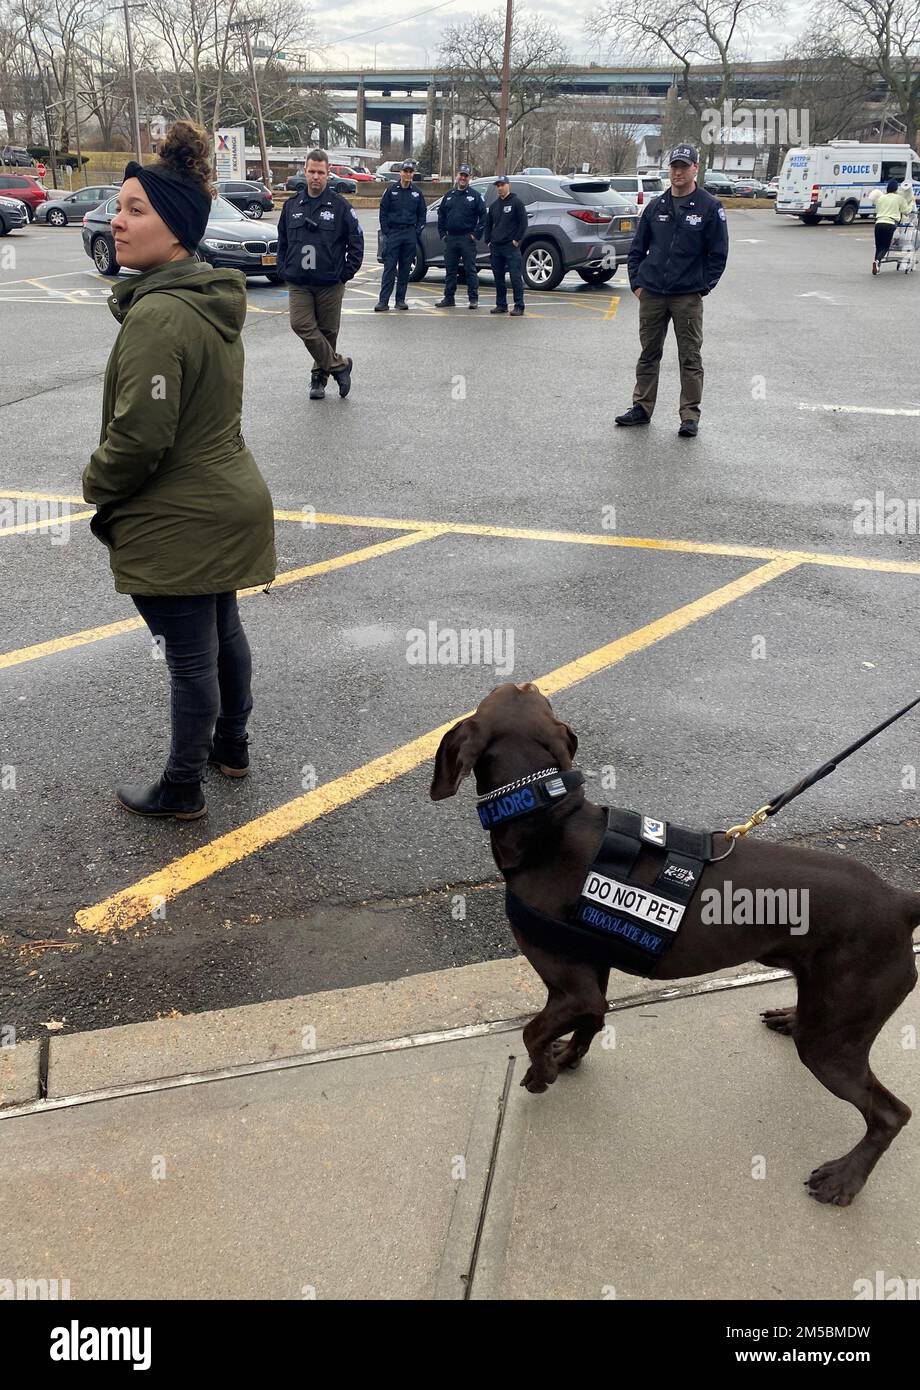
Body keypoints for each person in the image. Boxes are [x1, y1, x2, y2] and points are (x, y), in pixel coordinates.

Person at [82, 120, 276, 821]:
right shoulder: (207, 300)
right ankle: (233, 746)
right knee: (221, 634)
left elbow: (140, 435)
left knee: (190, 658)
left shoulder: (159, 315)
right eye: (119, 208)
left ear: (176, 229)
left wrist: (96, 483)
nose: (117, 221)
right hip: (226, 496)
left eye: (136, 210)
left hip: (181, 515)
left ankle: (182, 785)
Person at [615, 144, 729, 438]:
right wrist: (637, 284)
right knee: (649, 353)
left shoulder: (709, 207)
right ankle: (641, 408)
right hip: (652, 292)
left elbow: (718, 254)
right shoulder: (656, 206)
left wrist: (703, 287)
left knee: (690, 356)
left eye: (684, 166)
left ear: (695, 168)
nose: (678, 172)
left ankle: (689, 416)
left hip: (687, 295)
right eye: (674, 167)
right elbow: (637, 249)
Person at [276, 148, 364, 399]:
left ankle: (319, 379)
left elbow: (356, 241)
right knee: (300, 324)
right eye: (311, 171)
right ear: (305, 171)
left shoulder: (340, 207)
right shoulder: (292, 205)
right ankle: (340, 366)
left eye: (321, 172)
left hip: (330, 283)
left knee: (327, 332)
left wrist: (345, 273)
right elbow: (282, 239)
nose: (316, 177)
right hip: (299, 282)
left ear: (328, 174)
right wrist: (283, 267)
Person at [376, 160, 426, 311]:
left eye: (410, 172)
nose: (408, 174)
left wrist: (416, 232)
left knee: (404, 270)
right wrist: (387, 232)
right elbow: (383, 211)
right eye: (406, 171)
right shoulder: (391, 190)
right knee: (389, 268)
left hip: (409, 234)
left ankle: (400, 300)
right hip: (394, 234)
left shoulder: (417, 193)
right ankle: (383, 301)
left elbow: (422, 214)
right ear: (401, 173)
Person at [435, 164, 486, 309]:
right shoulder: (449, 195)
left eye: (466, 176)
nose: (463, 178)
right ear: (457, 176)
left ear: (469, 178)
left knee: (470, 269)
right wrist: (442, 233)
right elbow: (441, 215)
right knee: (450, 270)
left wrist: (476, 235)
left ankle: (473, 299)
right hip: (451, 239)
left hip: (466, 239)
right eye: (461, 175)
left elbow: (483, 216)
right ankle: (449, 298)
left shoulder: (475, 196)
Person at [485, 175, 527, 315]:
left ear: (508, 185)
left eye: (502, 185)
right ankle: (501, 304)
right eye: (498, 185)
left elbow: (523, 223)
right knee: (498, 277)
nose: (500, 188)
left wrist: (517, 239)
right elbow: (488, 224)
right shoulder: (495, 205)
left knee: (515, 277)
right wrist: (488, 240)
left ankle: (519, 305)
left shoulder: (516, 203)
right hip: (496, 247)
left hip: (511, 246)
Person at [872, 178, 915, 274]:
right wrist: (912, 202)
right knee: (885, 247)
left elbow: (877, 211)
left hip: (879, 223)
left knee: (879, 246)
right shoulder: (899, 199)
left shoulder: (881, 198)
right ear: (896, 189)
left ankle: (877, 265)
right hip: (890, 224)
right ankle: (877, 262)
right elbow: (906, 211)